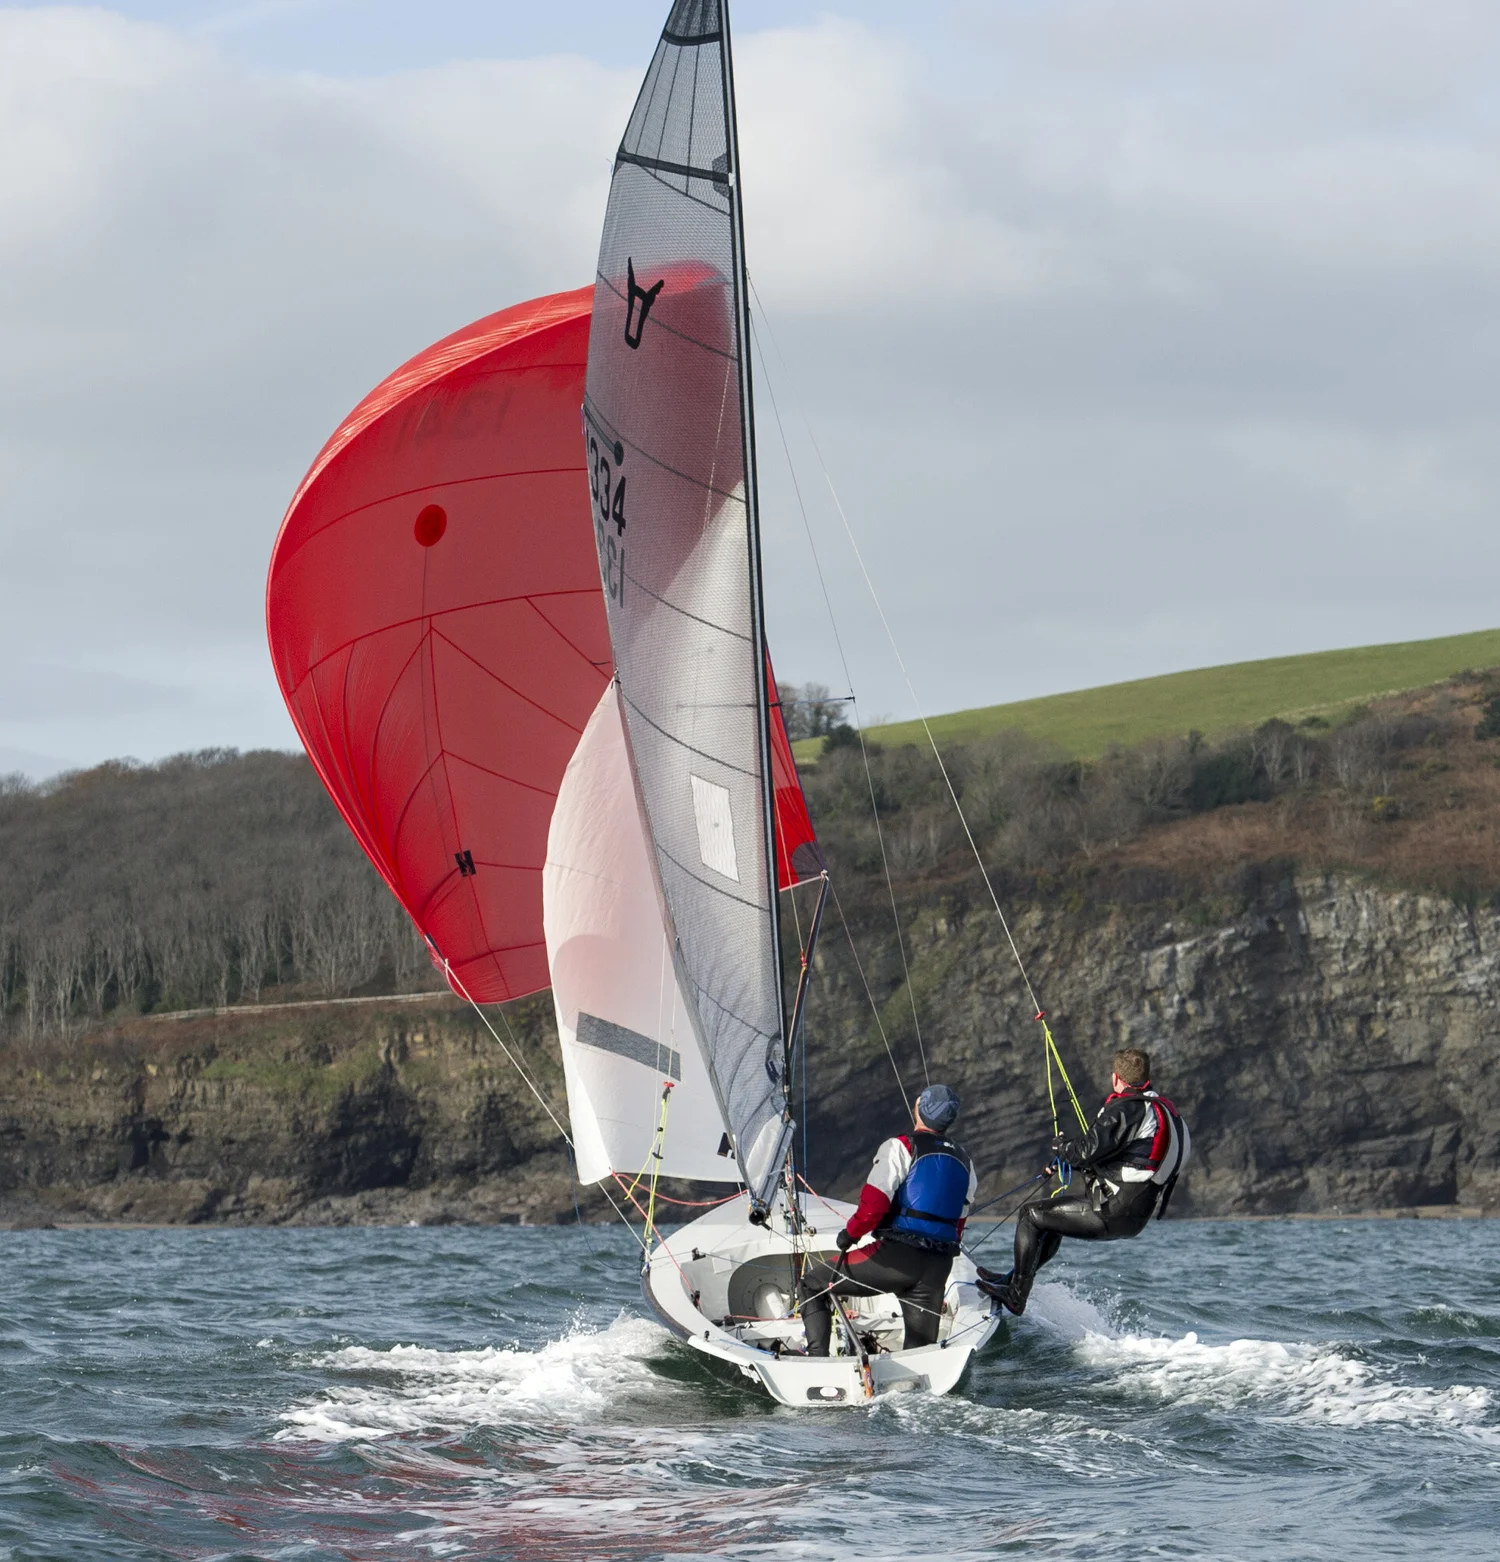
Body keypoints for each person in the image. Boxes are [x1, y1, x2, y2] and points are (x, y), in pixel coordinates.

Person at [976, 1048, 1190, 1317]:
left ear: (1116, 1078)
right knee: (1049, 1222)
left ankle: (1017, 1296)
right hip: (1134, 1215)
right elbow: (1117, 1157)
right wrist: (1067, 1159)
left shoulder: (1128, 1109)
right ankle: (1012, 1281)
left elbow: (1085, 1153)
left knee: (1030, 1215)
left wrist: (1061, 1147)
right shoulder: (1162, 1109)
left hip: (1112, 1211)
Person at [798, 1083, 978, 1356]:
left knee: (812, 1283)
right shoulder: (966, 1161)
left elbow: (874, 1206)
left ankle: (817, 1361)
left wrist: (850, 1234)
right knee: (920, 1353)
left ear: (919, 1107)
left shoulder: (900, 1146)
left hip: (894, 1260)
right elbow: (959, 1224)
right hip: (937, 1267)